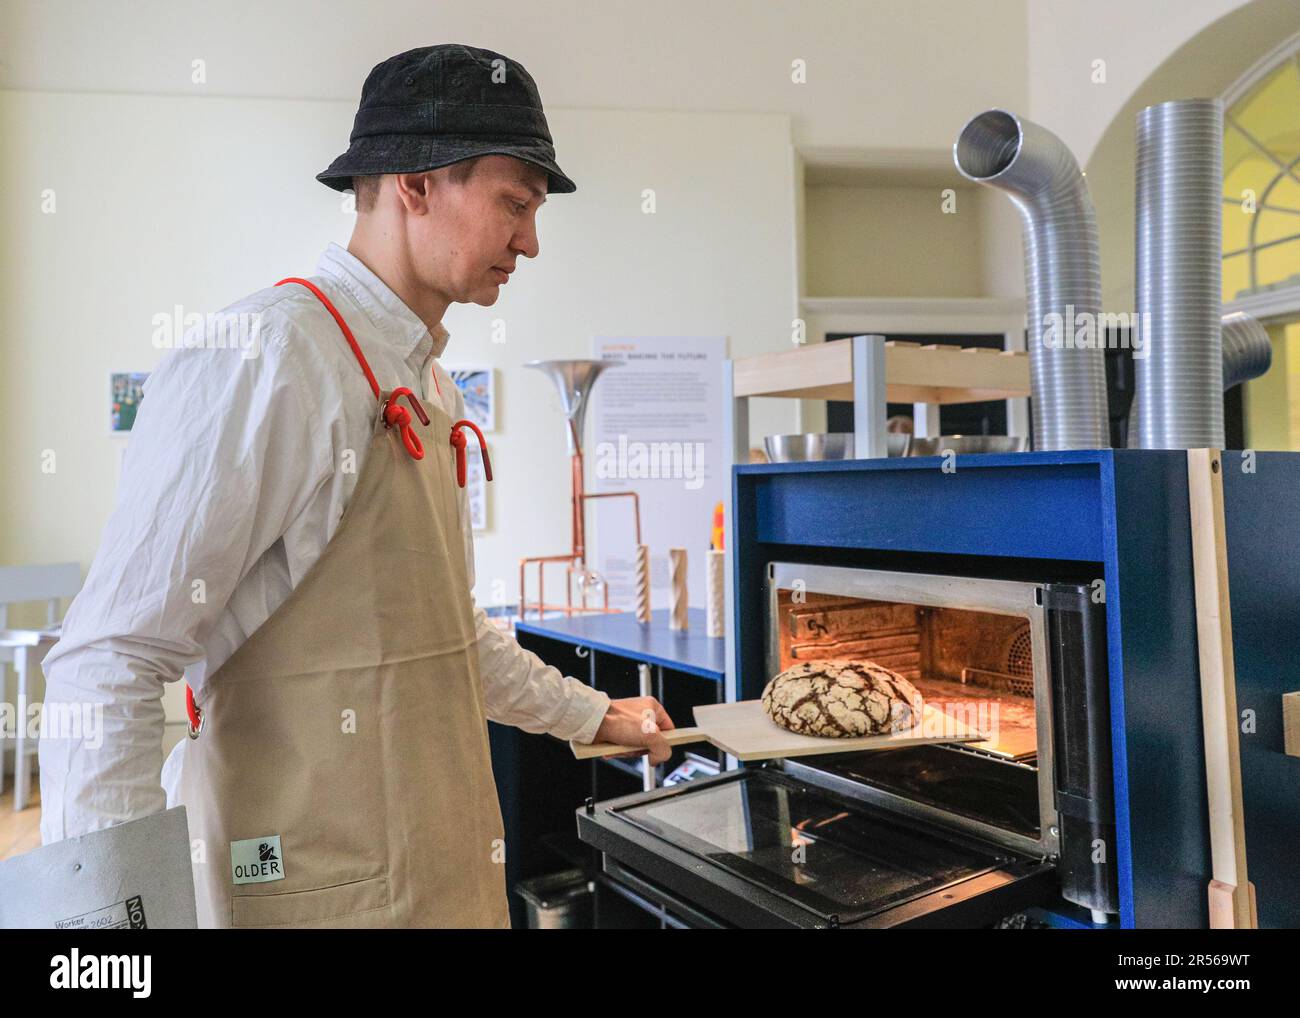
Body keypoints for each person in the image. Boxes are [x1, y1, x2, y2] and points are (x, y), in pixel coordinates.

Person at [38, 43, 675, 928]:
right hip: (307, 894)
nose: (530, 240)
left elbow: (450, 639)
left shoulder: (427, 382)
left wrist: (592, 712)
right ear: (415, 183)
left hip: (441, 878)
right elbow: (110, 662)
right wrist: (110, 945)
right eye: (515, 204)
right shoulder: (270, 357)